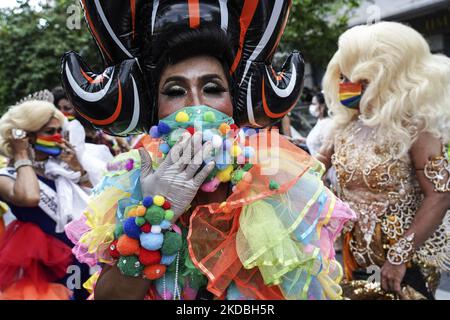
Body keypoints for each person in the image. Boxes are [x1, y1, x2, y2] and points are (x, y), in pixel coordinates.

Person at [62, 0, 355, 300]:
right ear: (156, 110)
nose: (196, 106)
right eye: (175, 92)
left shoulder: (274, 182)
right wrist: (156, 214)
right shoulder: (134, 183)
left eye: (212, 89)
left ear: (232, 104)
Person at [319, 22, 450, 299]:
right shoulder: (343, 127)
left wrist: (399, 257)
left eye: (352, 79)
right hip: (354, 257)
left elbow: (440, 195)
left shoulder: (416, 127)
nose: (344, 86)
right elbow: (313, 172)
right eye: (341, 78)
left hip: (407, 264)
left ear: (381, 78)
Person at [0, 98, 91, 299]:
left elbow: (94, 205)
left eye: (60, 131)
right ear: (27, 136)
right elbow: (30, 197)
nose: (58, 138)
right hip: (40, 267)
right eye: (50, 132)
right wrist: (21, 153)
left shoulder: (62, 170)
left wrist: (79, 170)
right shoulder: (6, 176)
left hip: (76, 260)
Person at [306, 92, 333, 158]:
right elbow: (318, 141)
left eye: (314, 104)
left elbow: (327, 148)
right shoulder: (320, 121)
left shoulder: (328, 124)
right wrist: (302, 140)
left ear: (322, 106)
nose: (311, 106)